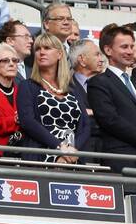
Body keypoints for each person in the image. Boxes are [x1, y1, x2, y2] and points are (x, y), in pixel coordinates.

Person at [86, 23, 136, 171]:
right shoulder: (99, 82)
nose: (130, 51)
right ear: (108, 50)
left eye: (132, 46)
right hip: (125, 159)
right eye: (124, 47)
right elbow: (110, 119)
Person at [17, 32, 91, 164]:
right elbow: (28, 121)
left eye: (47, 48)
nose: (41, 52)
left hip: (72, 157)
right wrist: (59, 147)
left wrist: (73, 149)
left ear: (60, 54)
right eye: (38, 49)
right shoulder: (27, 86)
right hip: (41, 156)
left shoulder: (72, 89)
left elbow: (85, 125)